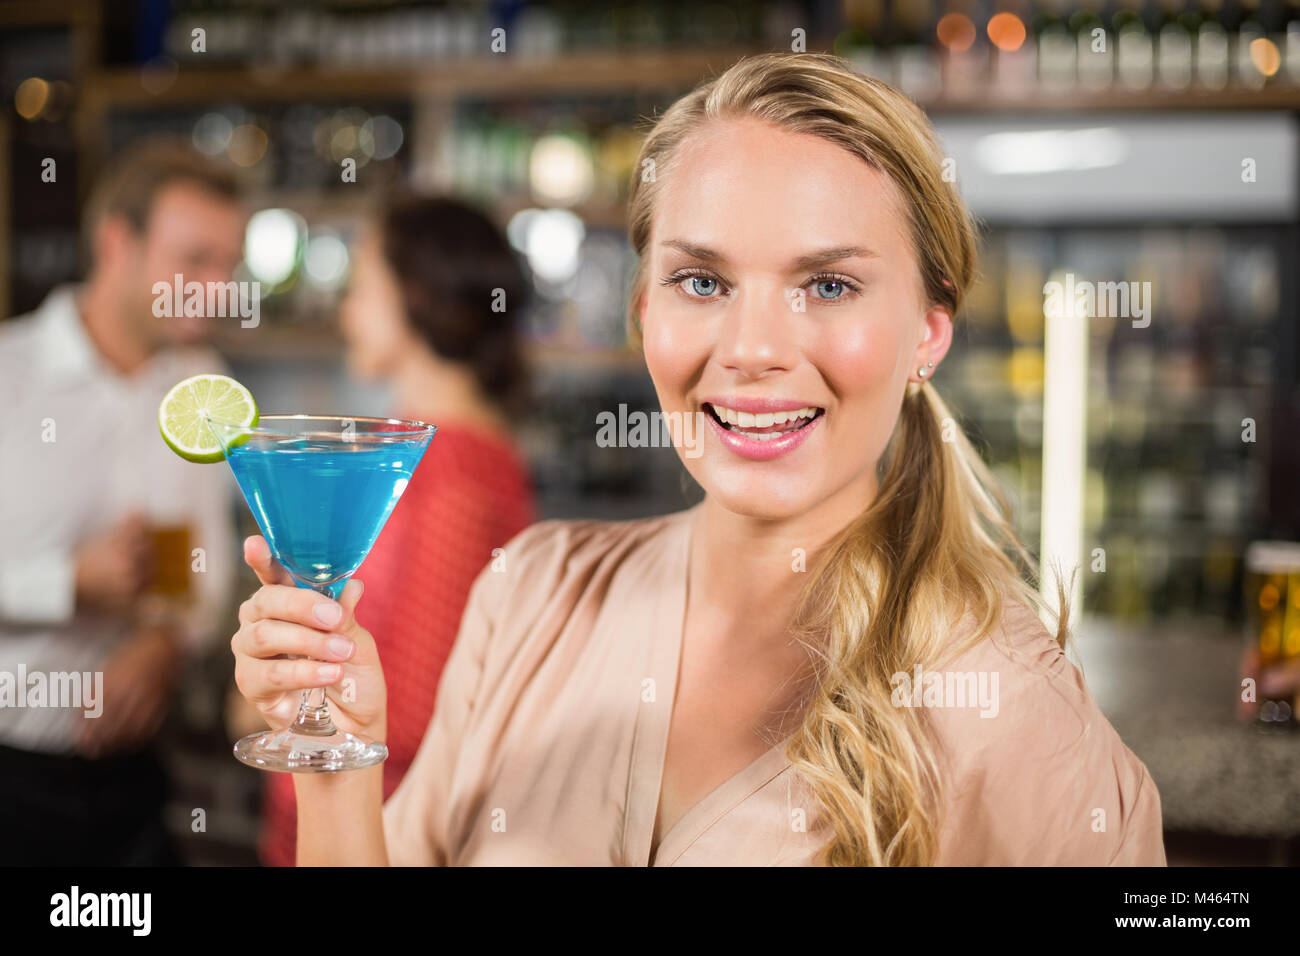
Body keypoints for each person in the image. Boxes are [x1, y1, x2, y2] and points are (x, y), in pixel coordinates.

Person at [229, 53, 1166, 865]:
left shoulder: (1005, 703)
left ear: (927, 332)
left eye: (829, 284)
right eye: (702, 281)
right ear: (645, 315)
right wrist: (339, 761)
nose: (753, 347)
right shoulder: (532, 597)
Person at [249, 195, 537, 866]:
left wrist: (277, 698)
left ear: (414, 295)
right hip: (333, 813)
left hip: (380, 835)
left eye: (359, 287)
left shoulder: (456, 471)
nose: (346, 312)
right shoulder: (419, 455)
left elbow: (418, 709)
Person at [0, 139, 242, 864]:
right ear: (116, 242)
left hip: (138, 781)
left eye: (229, 267)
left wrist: (165, 641)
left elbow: (207, 568)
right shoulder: (10, 377)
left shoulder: (204, 382)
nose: (218, 289)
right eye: (194, 261)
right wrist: (69, 584)